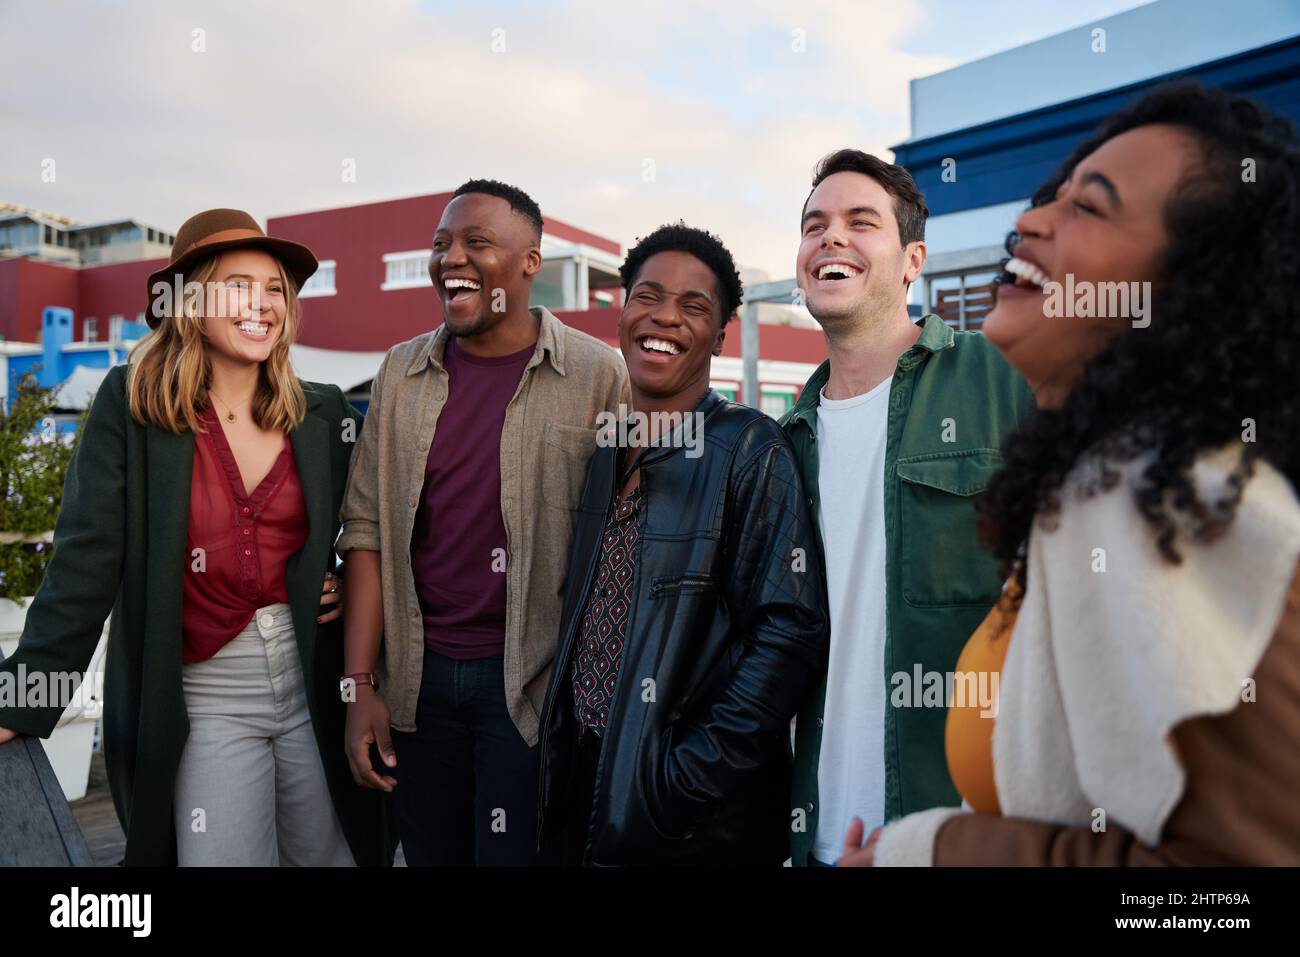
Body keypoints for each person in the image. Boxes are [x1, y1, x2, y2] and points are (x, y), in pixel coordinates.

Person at [846, 82, 1300, 866]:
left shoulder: (1162, 493)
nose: (1027, 221)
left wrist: (927, 850)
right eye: (1052, 196)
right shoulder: (1107, 477)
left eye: (1089, 208)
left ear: (1190, 288)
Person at [0, 208, 388, 866]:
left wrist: (349, 590)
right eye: (239, 284)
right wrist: (22, 693)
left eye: (274, 290)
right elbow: (85, 564)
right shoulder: (131, 406)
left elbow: (373, 529)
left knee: (340, 855)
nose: (262, 305)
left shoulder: (322, 412)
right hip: (206, 700)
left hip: (314, 685)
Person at [339, 179, 628, 866]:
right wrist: (361, 687)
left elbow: (624, 537)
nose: (451, 258)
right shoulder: (399, 372)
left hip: (530, 690)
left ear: (530, 262)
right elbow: (366, 529)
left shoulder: (597, 375)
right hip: (417, 685)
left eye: (476, 242)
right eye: (441, 244)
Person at [536, 223, 829, 866]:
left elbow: (789, 631)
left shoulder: (749, 448)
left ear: (719, 337)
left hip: (690, 816)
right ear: (623, 312)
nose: (665, 316)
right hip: (588, 780)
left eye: (694, 306)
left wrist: (684, 778)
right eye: (649, 295)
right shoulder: (606, 450)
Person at [782, 151, 1033, 867]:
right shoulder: (782, 442)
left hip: (961, 836)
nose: (830, 238)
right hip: (817, 836)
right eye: (814, 225)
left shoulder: (1002, 378)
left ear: (912, 259)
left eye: (861, 222)